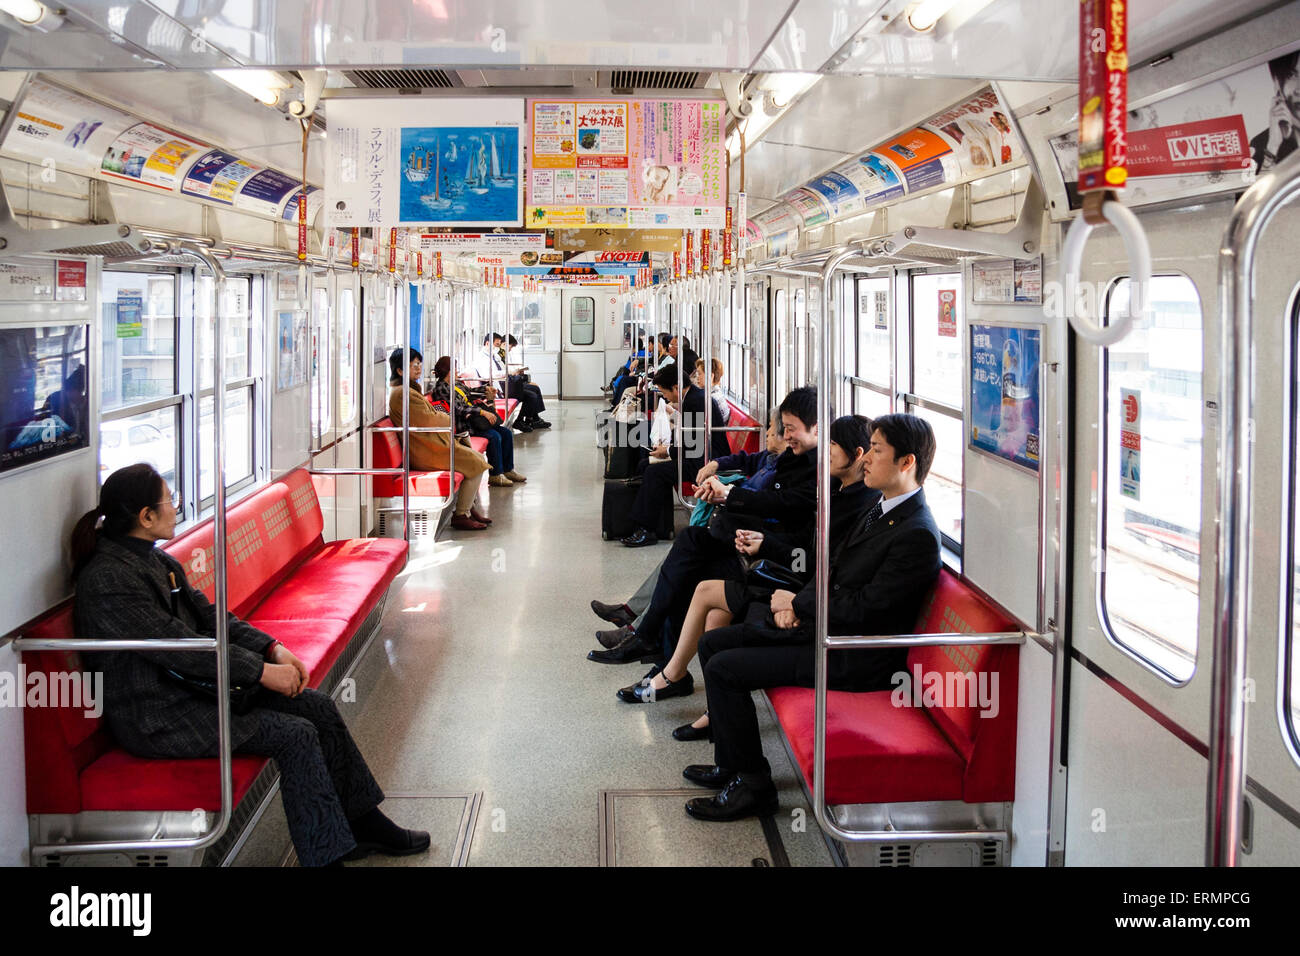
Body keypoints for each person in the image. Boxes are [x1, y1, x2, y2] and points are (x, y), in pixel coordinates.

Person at [71, 464, 431, 867]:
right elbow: (181, 647)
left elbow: (211, 620)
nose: (177, 507)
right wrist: (260, 673)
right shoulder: (108, 580)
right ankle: (325, 857)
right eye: (169, 501)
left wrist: (273, 649)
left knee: (318, 708)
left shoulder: (157, 562)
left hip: (190, 691)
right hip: (159, 715)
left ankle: (365, 823)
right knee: (295, 735)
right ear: (146, 517)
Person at [682, 413, 941, 822]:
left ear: (906, 462)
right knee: (713, 642)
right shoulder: (879, 507)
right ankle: (731, 763)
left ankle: (754, 785)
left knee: (725, 668)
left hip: (854, 654)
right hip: (826, 629)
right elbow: (831, 568)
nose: (867, 460)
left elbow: (868, 609)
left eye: (877, 451)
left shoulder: (916, 534)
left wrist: (798, 608)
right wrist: (793, 602)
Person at [644, 416, 878, 742]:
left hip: (803, 598)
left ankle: (672, 672)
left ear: (856, 453)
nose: (778, 435)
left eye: (832, 445)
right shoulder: (837, 492)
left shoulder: (852, 504)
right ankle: (695, 693)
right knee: (707, 591)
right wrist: (765, 544)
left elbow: (825, 570)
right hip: (797, 582)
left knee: (705, 580)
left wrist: (795, 601)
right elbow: (816, 561)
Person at [590, 387, 819, 662]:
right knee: (687, 550)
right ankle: (645, 637)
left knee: (686, 558)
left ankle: (645, 637)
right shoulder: (786, 458)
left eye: (787, 429)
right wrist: (717, 469)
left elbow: (781, 505)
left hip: (766, 553)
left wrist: (729, 495)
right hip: (749, 538)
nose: (777, 434)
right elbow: (752, 467)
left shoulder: (816, 473)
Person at [619, 362, 730, 548]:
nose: (665, 396)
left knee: (655, 472)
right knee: (646, 466)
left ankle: (646, 529)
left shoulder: (695, 402)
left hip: (706, 462)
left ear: (677, 387)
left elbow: (693, 448)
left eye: (665, 392)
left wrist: (668, 451)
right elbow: (692, 443)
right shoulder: (694, 397)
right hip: (700, 456)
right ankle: (656, 523)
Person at [389, 348, 492, 531]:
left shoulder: (409, 391)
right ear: (400, 370)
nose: (419, 368)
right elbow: (430, 419)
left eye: (419, 364)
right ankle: (461, 514)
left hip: (429, 444)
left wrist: (440, 416)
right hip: (425, 451)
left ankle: (468, 508)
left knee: (475, 460)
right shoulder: (403, 394)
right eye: (414, 365)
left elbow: (431, 416)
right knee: (477, 463)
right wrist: (445, 417)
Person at [430, 355, 526, 487]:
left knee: (506, 433)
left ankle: (508, 469)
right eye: (455, 369)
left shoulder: (456, 384)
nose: (457, 371)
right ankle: (495, 475)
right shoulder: (441, 389)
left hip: (474, 421)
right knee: (494, 436)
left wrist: (485, 389)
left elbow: (469, 392)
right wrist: (482, 412)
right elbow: (458, 408)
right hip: (464, 425)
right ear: (448, 371)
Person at [1252, 51, 1300, 173]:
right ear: (1277, 84)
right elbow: (1258, 192)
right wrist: (1273, 147)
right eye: (1292, 76)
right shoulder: (1261, 143)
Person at [504, 334, 550, 428]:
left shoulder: (502, 355)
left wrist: (516, 372)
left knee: (535, 388)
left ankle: (534, 419)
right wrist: (514, 373)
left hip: (511, 382)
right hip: (509, 385)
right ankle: (525, 420)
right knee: (531, 394)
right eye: (510, 346)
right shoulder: (497, 356)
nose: (510, 349)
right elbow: (503, 373)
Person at [691, 358, 730, 424]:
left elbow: (697, 429)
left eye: (700, 374)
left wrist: (672, 413)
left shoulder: (711, 399)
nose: (697, 377)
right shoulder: (716, 393)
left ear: (711, 376)